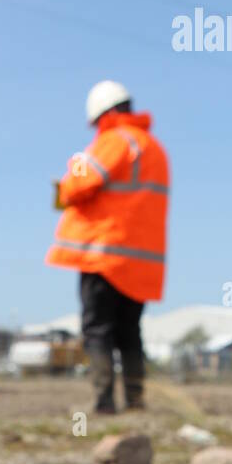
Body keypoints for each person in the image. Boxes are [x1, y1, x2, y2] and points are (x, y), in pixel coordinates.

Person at [47, 80, 169, 412]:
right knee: (129, 329)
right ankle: (135, 398)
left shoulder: (115, 141)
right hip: (141, 260)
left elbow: (79, 183)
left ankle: (102, 401)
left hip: (105, 252)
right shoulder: (155, 149)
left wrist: (69, 178)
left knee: (97, 328)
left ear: (106, 114)